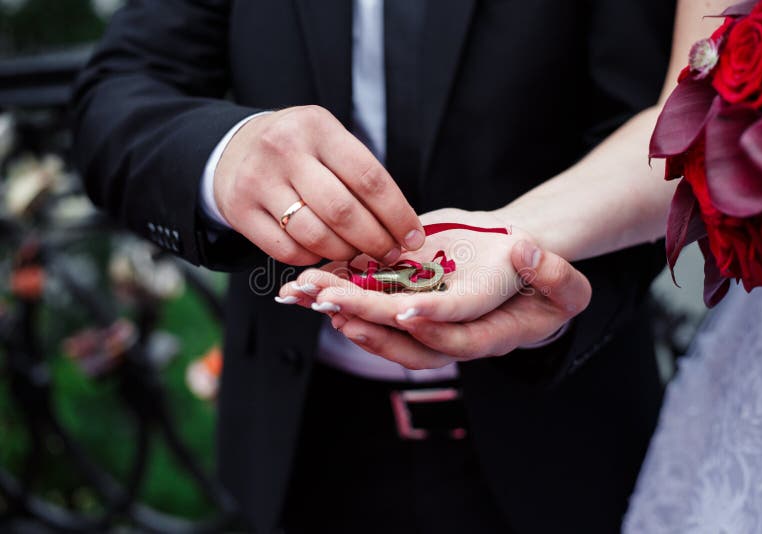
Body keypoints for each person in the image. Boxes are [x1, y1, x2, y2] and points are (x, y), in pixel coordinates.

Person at [72, 0, 675, 532]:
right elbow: (114, 96)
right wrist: (227, 156)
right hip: (305, 440)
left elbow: (670, 135)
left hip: (564, 434)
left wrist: (544, 287)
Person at [280, 1, 762, 532]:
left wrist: (512, 241)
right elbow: (690, 118)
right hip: (304, 437)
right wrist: (503, 236)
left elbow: (664, 119)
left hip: (569, 444)